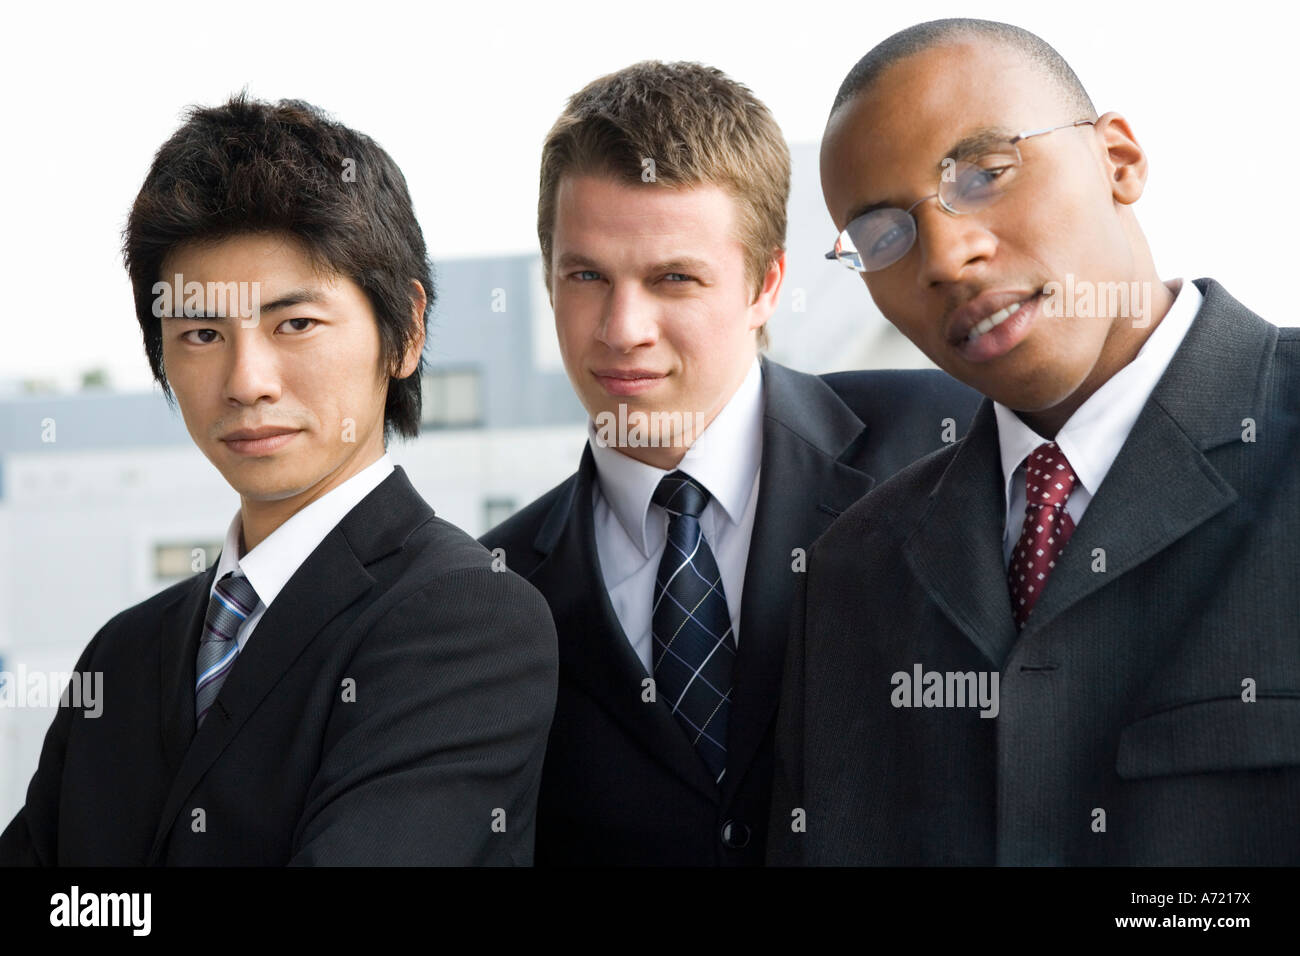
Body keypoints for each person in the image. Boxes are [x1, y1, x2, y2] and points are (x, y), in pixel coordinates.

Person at [768, 18, 1300, 865]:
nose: (945, 255)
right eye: (881, 237)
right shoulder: (851, 578)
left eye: (983, 174)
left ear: (1118, 161)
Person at [0, 95, 557, 866]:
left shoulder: (468, 619)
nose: (247, 381)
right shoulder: (122, 654)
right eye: (201, 334)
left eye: (294, 324)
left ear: (407, 333)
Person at [482, 61, 981, 865]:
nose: (622, 328)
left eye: (673, 278)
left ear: (766, 285)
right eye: (586, 276)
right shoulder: (493, 591)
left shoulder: (954, 446)